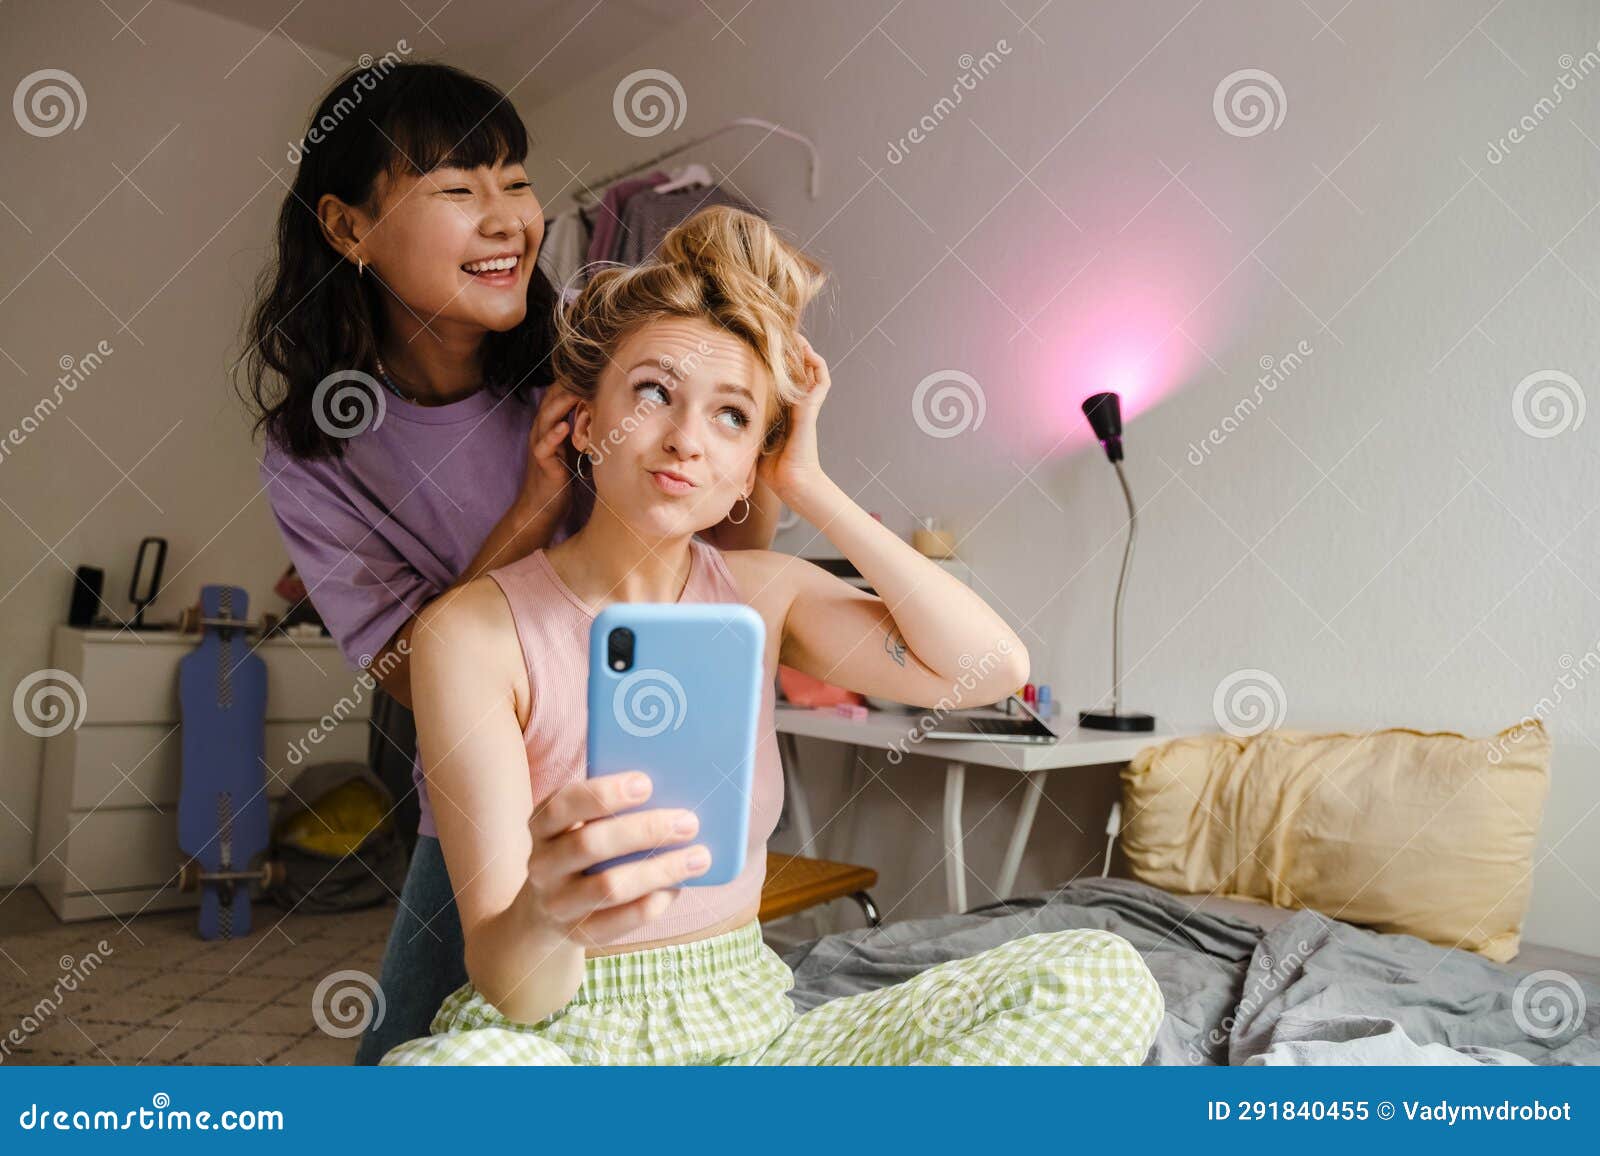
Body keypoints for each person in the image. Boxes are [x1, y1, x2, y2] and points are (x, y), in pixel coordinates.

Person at [380, 205, 1165, 1065]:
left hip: (755, 1039)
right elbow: (512, 985)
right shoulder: (470, 633)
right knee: (444, 1077)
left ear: (753, 465)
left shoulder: (762, 597)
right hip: (562, 1041)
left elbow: (991, 668)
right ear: (580, 416)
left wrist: (812, 483)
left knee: (1099, 974)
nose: (685, 439)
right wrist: (548, 910)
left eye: (732, 417)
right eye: (653, 392)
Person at [244, 62, 776, 1065]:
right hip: (485, 810)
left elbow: (733, 568)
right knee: (410, 1064)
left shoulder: (593, 343)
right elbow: (405, 673)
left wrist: (773, 444)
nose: (508, 219)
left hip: (660, 766)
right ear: (348, 228)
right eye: (456, 188)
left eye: (514, 179)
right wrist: (533, 509)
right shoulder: (316, 448)